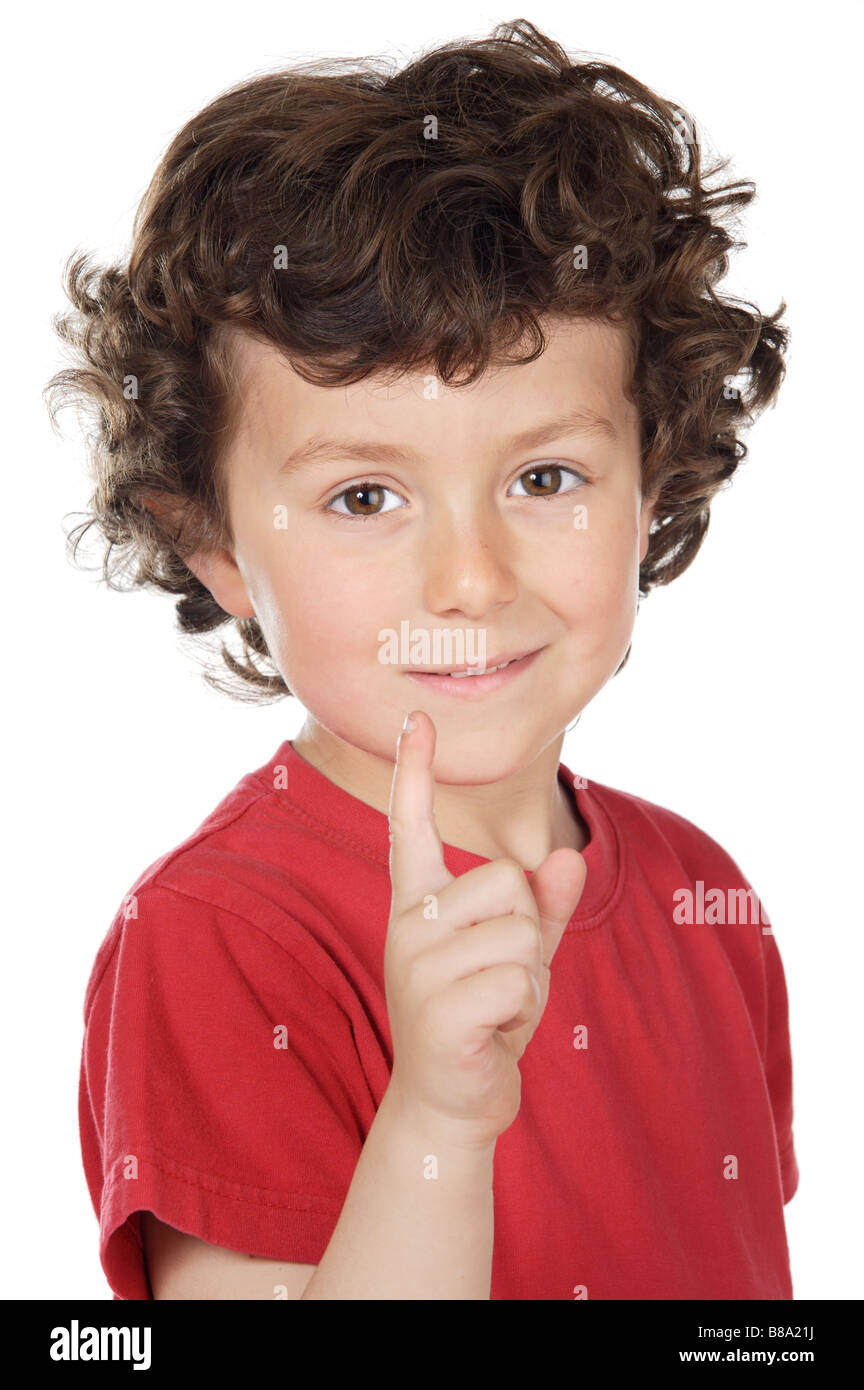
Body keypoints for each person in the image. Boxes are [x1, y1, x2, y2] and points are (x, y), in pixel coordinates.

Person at [46, 18, 797, 1300]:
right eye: (364, 498)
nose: (470, 579)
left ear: (654, 487)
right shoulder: (218, 942)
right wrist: (437, 1123)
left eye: (545, 477)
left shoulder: (705, 895)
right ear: (218, 549)